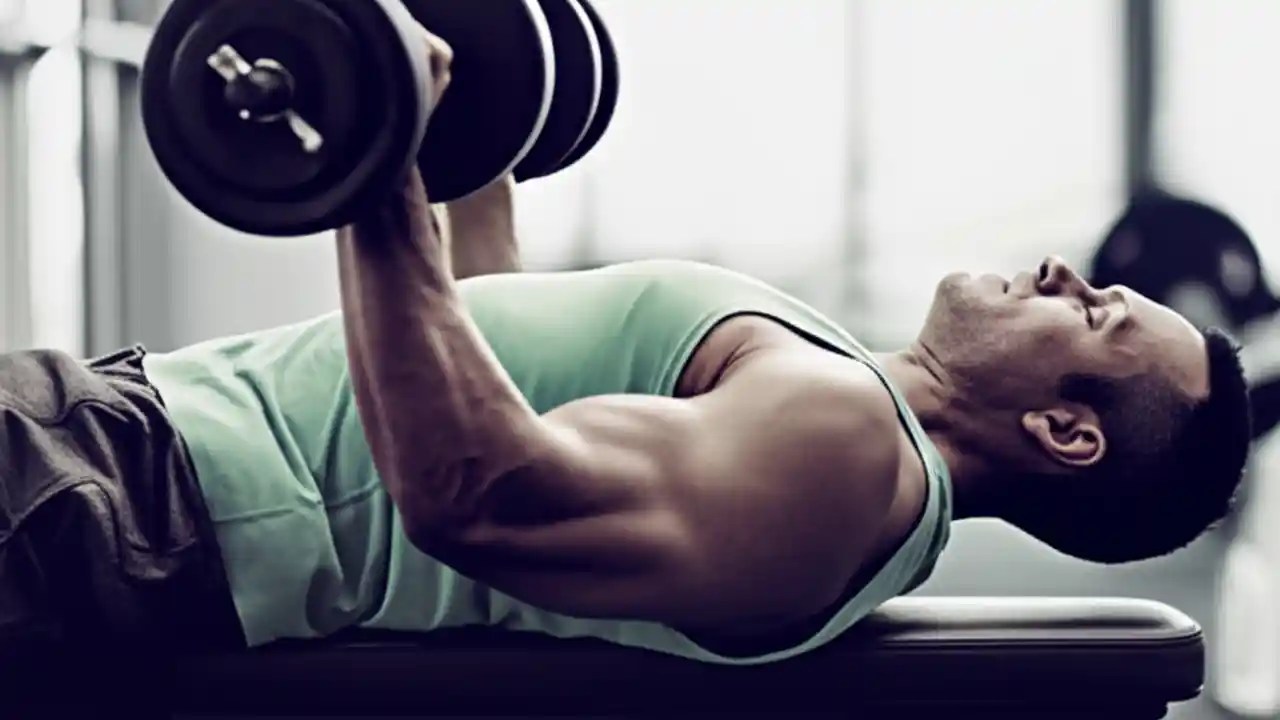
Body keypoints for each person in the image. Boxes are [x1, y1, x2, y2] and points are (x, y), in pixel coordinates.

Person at [0, 24, 1253, 698]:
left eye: (1096, 314)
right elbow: (482, 346)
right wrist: (470, 148)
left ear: (1066, 434)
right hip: (116, 453)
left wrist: (370, 158)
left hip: (130, 503)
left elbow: (478, 492)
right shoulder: (842, 411)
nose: (1061, 275)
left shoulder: (845, 453)